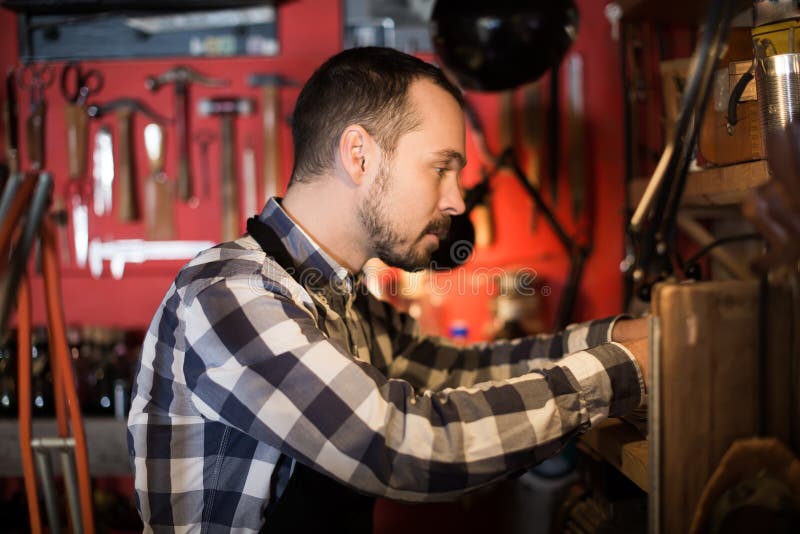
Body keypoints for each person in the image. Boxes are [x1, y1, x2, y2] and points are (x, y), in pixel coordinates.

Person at [127, 46, 649, 533]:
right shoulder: (230, 296)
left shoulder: (343, 302)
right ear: (359, 155)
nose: (456, 201)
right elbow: (402, 446)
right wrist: (617, 373)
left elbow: (459, 372)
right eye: (441, 168)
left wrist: (611, 340)